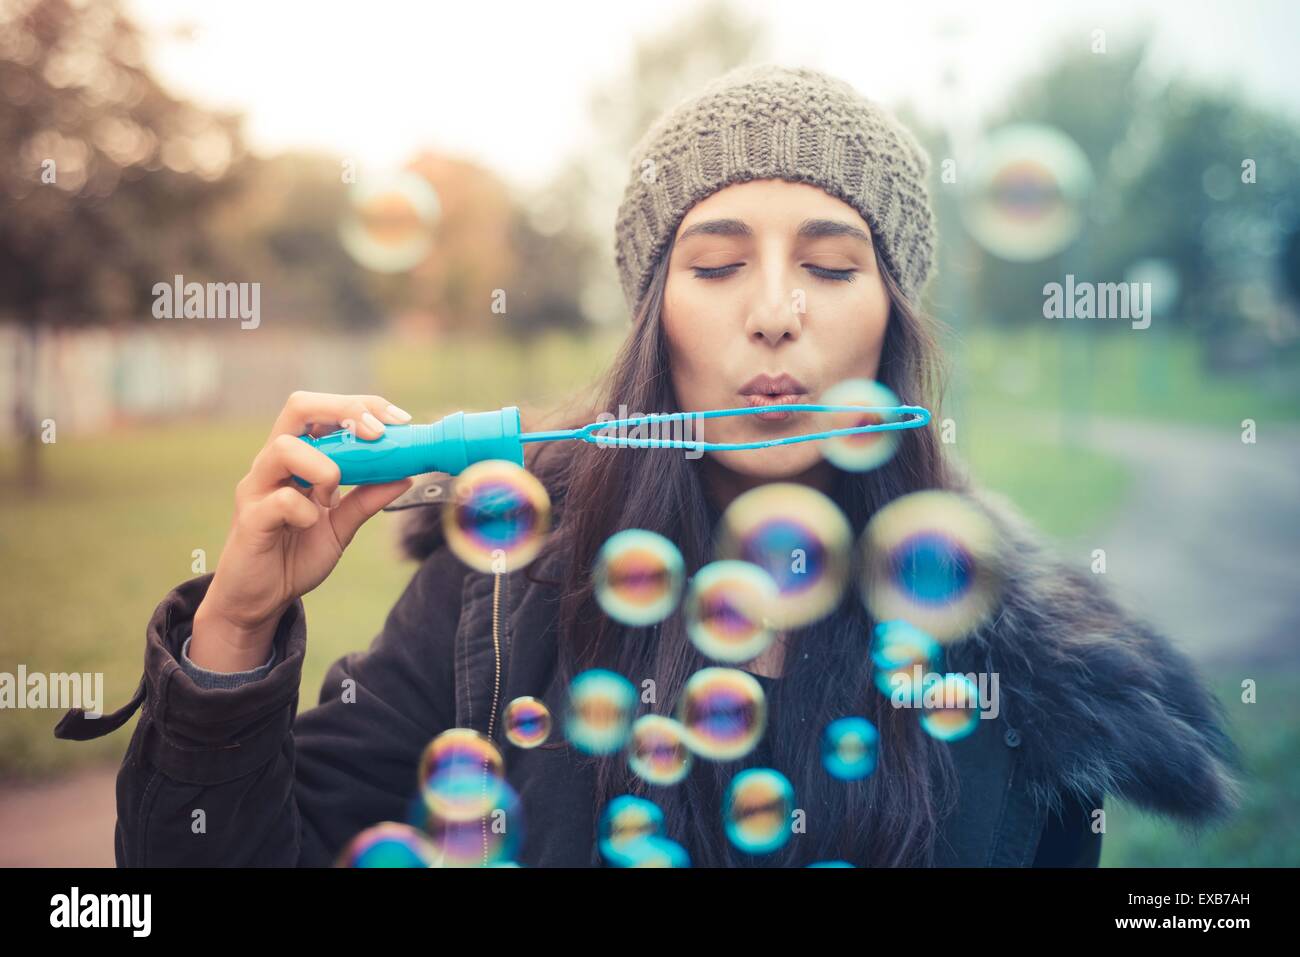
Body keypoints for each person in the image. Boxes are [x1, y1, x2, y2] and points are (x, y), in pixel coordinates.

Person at [56, 63, 1240, 867]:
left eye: (831, 266)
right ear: (649, 316)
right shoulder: (493, 599)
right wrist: (237, 628)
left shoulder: (1023, 665)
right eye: (716, 265)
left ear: (893, 319)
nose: (774, 314)